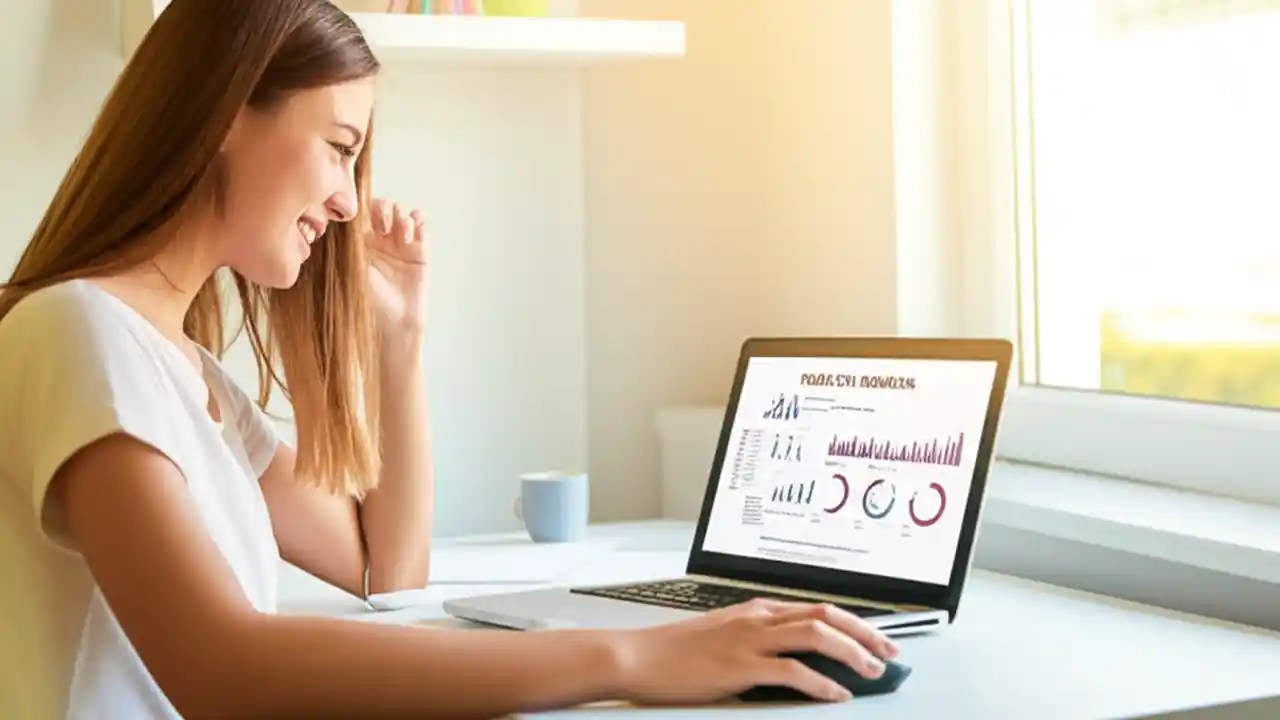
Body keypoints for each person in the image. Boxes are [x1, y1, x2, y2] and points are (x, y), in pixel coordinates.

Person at [0, 1, 900, 717]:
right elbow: (220, 669)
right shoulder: (77, 332)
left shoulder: (184, 373)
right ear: (227, 112)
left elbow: (384, 571)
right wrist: (633, 657)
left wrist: (398, 341)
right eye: (340, 149)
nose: (348, 202)